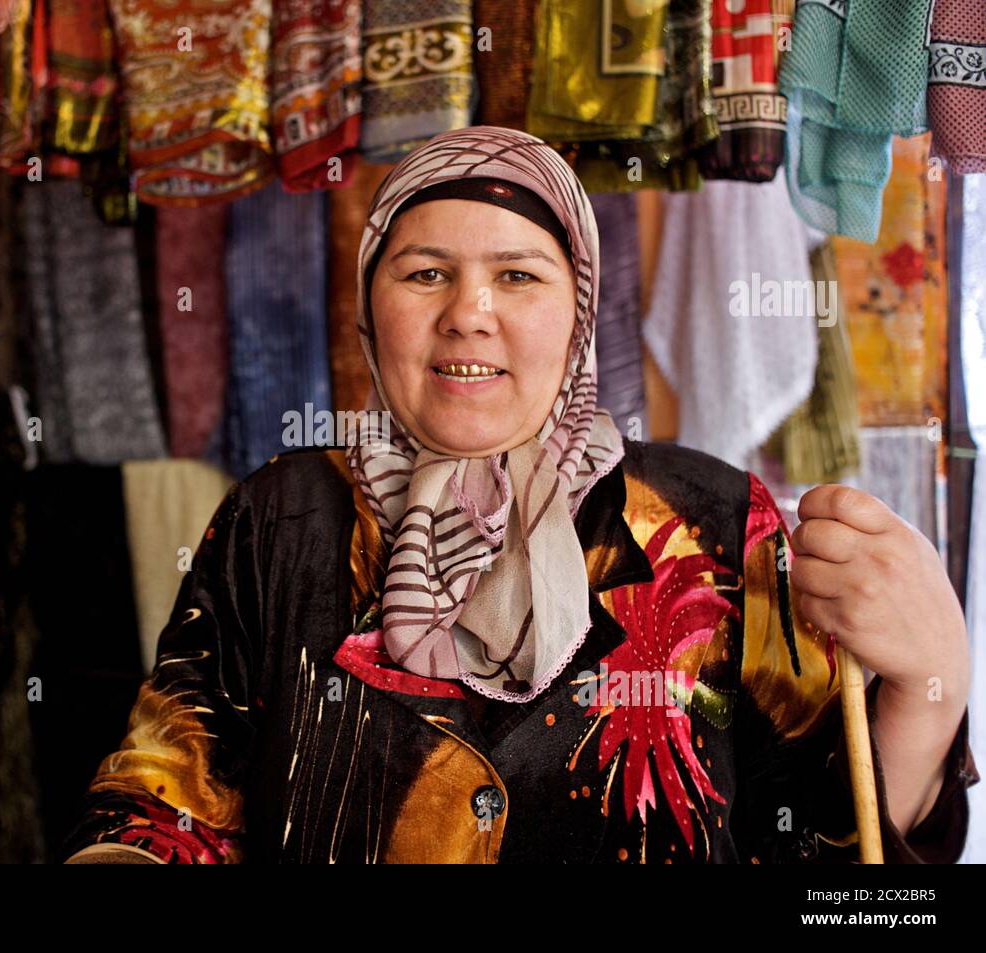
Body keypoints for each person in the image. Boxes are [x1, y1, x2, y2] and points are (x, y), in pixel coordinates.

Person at [62, 126, 977, 864]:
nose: (469, 310)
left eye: (518, 275)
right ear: (367, 305)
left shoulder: (717, 524)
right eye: (424, 272)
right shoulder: (278, 518)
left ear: (579, 315)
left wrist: (932, 685)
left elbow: (828, 846)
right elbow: (170, 798)